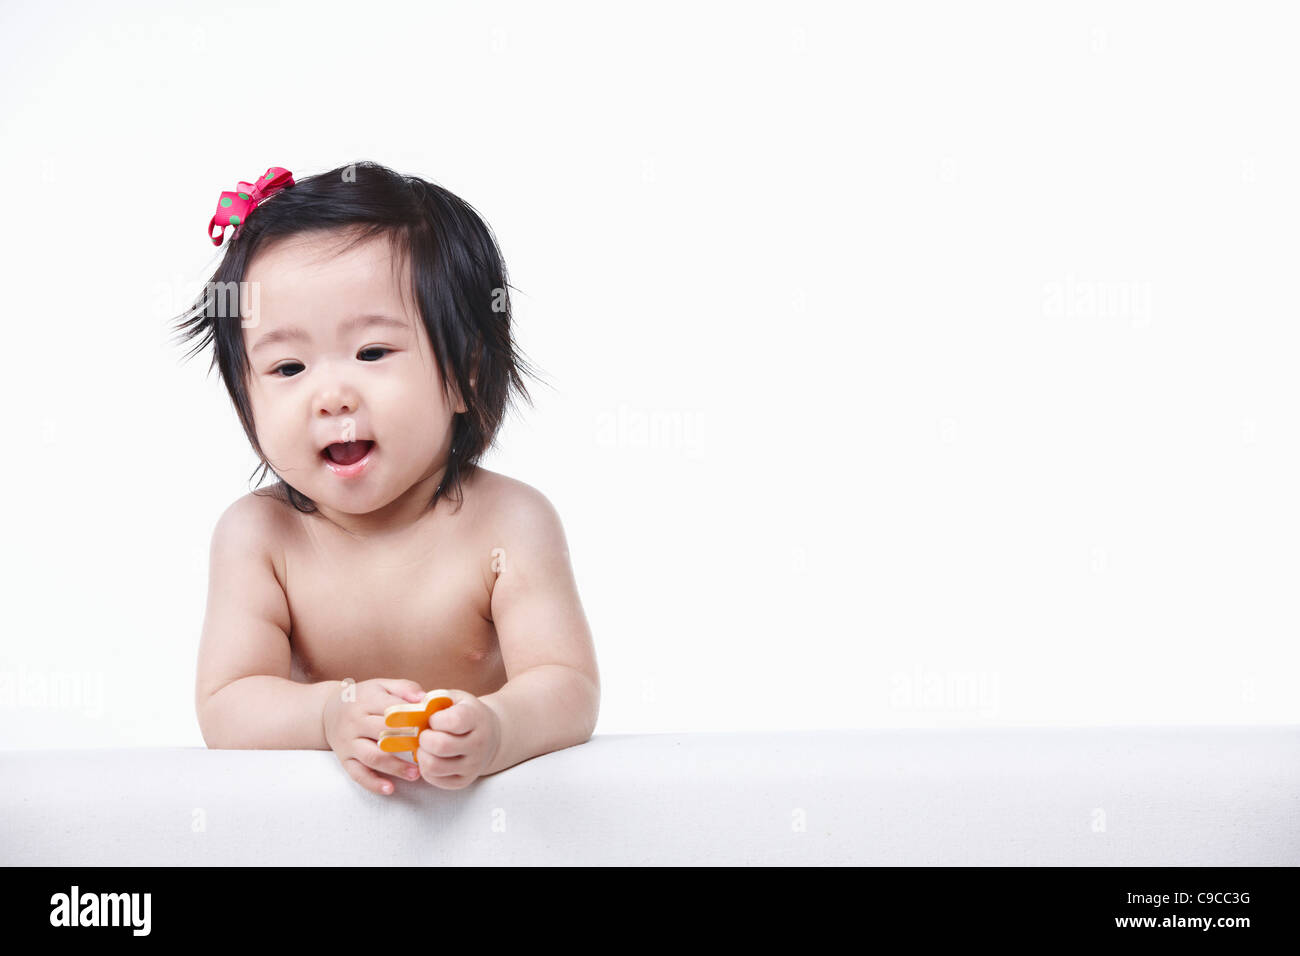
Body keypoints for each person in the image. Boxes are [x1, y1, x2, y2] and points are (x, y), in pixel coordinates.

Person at [175, 161, 599, 794]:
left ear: (465, 373)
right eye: (288, 368)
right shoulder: (260, 536)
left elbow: (568, 684)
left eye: (372, 352)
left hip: (483, 833)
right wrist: (328, 714)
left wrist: (499, 727)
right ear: (245, 399)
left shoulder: (510, 524)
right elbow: (228, 703)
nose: (331, 395)